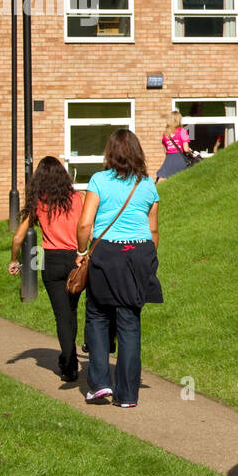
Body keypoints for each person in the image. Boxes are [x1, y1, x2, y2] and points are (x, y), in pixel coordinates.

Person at [75, 130, 162, 407]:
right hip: (139, 253)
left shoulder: (99, 180)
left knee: (98, 316)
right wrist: (147, 261)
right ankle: (127, 394)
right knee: (129, 322)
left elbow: (85, 224)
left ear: (109, 153)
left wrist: (81, 252)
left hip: (107, 252)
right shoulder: (148, 184)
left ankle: (100, 384)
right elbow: (153, 229)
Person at [8, 156, 85, 383]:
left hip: (51, 262)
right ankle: (69, 357)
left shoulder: (39, 203)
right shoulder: (76, 198)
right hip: (75, 260)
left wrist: (14, 260)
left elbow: (18, 237)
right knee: (71, 311)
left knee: (61, 315)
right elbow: (85, 226)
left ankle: (69, 365)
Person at [156, 110, 199, 181]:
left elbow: (165, 150)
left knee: (164, 180)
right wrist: (192, 154)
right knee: (181, 180)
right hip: (180, 158)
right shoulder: (182, 131)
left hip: (168, 159)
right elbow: (186, 149)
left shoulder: (165, 134)